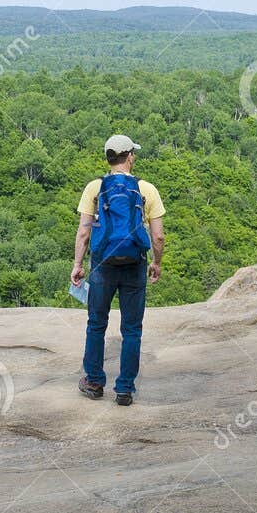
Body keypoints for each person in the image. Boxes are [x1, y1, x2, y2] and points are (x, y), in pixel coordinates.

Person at [70, 134, 165, 405]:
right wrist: (156, 263)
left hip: (102, 264)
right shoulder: (147, 189)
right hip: (135, 263)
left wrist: (78, 265)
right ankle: (124, 388)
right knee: (132, 329)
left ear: (109, 158)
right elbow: (158, 236)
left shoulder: (94, 188)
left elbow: (84, 232)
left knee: (96, 323)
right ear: (130, 157)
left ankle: (95, 382)